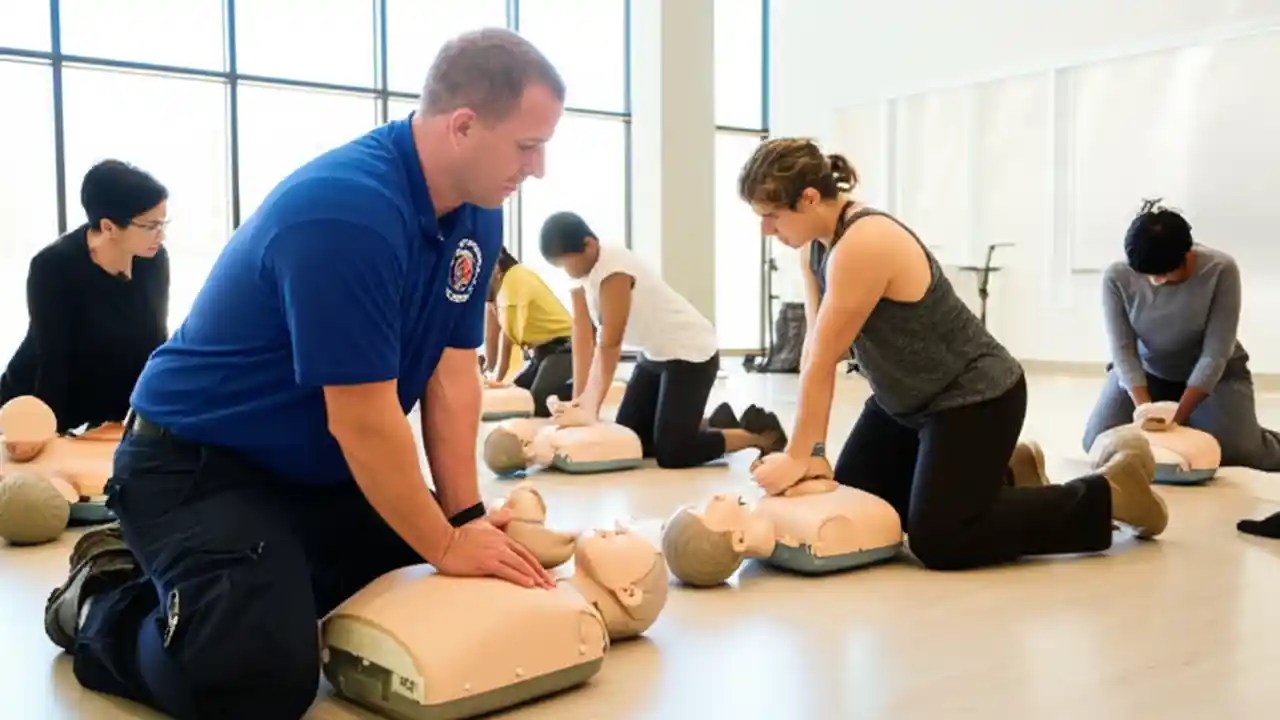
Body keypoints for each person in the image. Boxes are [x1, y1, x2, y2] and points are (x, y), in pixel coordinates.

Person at [43, 29, 564, 719]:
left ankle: (213, 583)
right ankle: (105, 600)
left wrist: (464, 520)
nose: (540, 168)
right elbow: (362, 418)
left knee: (439, 578)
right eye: (528, 145)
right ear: (464, 125)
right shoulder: (346, 214)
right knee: (258, 677)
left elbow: (450, 373)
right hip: (195, 467)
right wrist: (442, 540)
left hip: (316, 471)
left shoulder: (478, 216)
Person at [736, 138, 1169, 571]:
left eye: (771, 216)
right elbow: (819, 348)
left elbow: (819, 358)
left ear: (809, 198)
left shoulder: (865, 240)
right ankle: (1007, 475)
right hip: (902, 404)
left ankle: (1107, 494)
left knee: (941, 537)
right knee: (865, 503)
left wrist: (801, 455)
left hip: (973, 397)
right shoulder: (816, 248)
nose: (766, 230)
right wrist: (808, 453)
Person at [539, 211, 786, 468]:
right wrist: (579, 401)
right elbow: (582, 334)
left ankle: (760, 436)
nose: (567, 272)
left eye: (567, 263)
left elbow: (610, 342)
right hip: (654, 355)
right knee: (633, 441)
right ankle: (715, 423)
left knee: (673, 452)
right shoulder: (581, 275)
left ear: (589, 244)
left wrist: (590, 409)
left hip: (689, 352)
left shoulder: (613, 268)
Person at [1081, 199, 1280, 471]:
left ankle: (1240, 427)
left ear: (1187, 253)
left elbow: (1215, 353)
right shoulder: (1116, 277)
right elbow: (1123, 352)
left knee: (1239, 452)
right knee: (1098, 441)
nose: (1157, 281)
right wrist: (1146, 414)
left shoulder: (1220, 269)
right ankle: (1195, 419)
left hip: (1216, 376)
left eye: (1164, 273)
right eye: (1149, 275)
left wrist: (1175, 419)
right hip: (1148, 372)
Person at [0, 160, 169, 435]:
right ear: (109, 227)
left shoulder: (153, 258)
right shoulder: (53, 265)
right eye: (150, 226)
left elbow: (153, 338)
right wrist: (49, 435)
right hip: (40, 401)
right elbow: (53, 357)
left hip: (110, 400)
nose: (161, 235)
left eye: (162, 223)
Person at [482, 246, 575, 416]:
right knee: (520, 391)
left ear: (495, 267)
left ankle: (581, 395)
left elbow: (509, 336)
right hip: (544, 352)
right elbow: (504, 334)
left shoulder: (514, 281)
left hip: (565, 348)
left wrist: (500, 379)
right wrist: (499, 378)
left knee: (539, 397)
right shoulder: (506, 285)